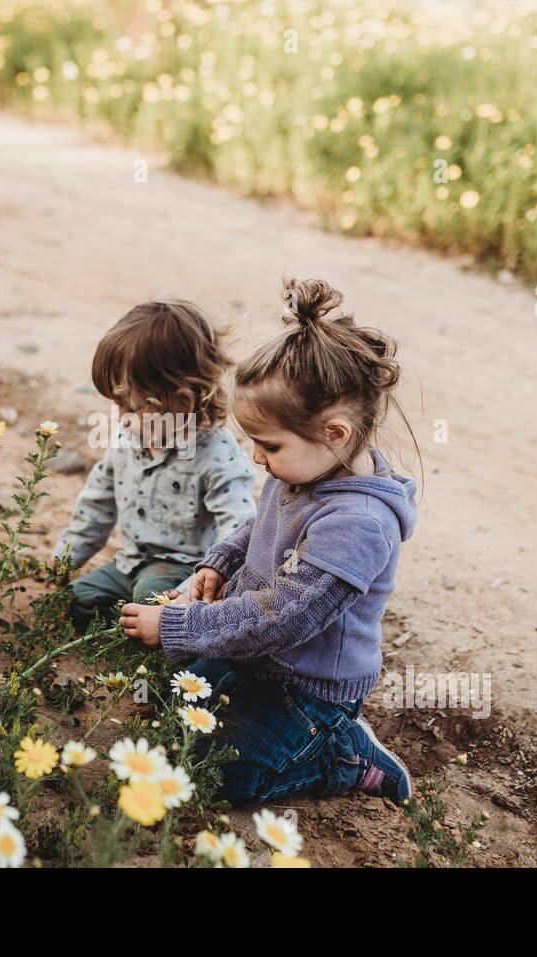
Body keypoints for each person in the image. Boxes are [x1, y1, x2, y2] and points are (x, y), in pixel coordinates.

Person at [119, 277, 420, 806]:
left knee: (223, 777)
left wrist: (175, 624)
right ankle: (266, 722)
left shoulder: (360, 523)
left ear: (335, 432)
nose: (257, 459)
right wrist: (220, 560)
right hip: (258, 657)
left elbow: (285, 617)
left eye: (268, 444)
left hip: (307, 691)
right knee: (173, 701)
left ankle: (343, 755)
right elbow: (260, 525)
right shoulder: (302, 467)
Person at [49, 298, 256, 633]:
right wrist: (67, 556)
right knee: (77, 599)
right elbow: (98, 501)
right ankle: (132, 633)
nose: (121, 418)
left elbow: (238, 528)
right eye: (117, 404)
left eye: (132, 407)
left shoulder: (216, 455)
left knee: (150, 598)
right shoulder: (126, 441)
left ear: (182, 400)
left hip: (186, 572)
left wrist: (196, 588)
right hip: (131, 564)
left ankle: (167, 633)